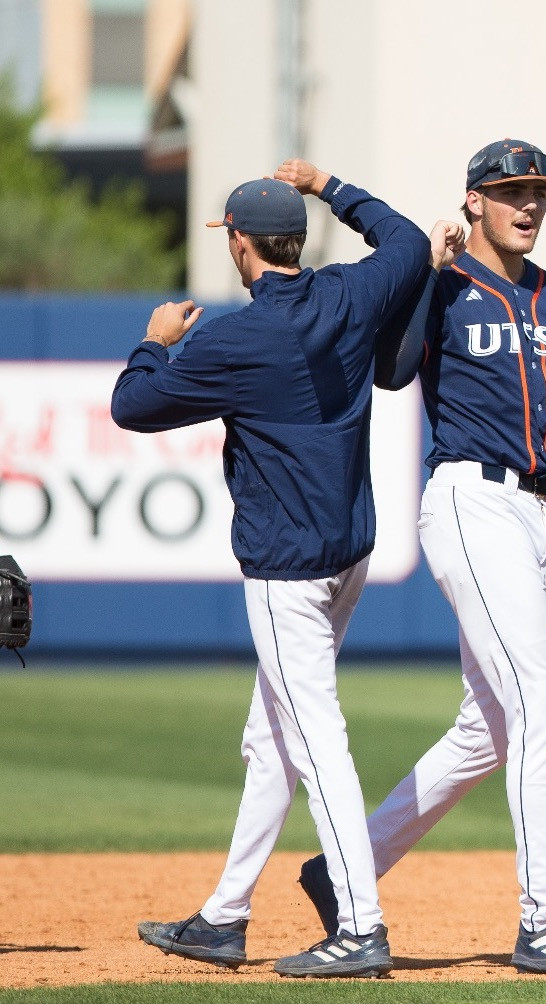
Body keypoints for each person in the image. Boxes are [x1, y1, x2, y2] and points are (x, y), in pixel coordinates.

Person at [293, 139, 546, 976]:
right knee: (543, 701)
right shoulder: (445, 285)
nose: (529, 204)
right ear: (474, 200)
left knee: (487, 730)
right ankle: (544, 921)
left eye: (538, 191)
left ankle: (344, 871)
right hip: (470, 500)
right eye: (512, 190)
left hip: (535, 512)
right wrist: (425, 275)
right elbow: (391, 372)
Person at [121, 162, 429, 978]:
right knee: (272, 742)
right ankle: (223, 918)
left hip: (287, 570)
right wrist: (330, 185)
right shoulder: (352, 294)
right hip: (348, 554)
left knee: (315, 741)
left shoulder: (232, 338)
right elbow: (403, 238)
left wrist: (154, 344)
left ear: (241, 245)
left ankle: (360, 928)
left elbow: (132, 406)